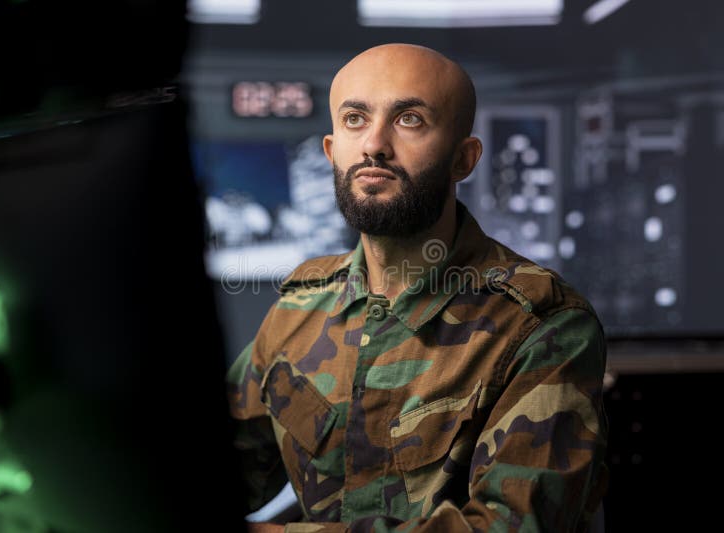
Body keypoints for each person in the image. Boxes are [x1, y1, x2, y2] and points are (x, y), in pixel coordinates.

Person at [227, 43, 608, 533]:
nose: (374, 145)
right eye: (355, 119)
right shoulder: (300, 308)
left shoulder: (542, 326)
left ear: (463, 159)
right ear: (331, 151)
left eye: (409, 119)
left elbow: (510, 527)